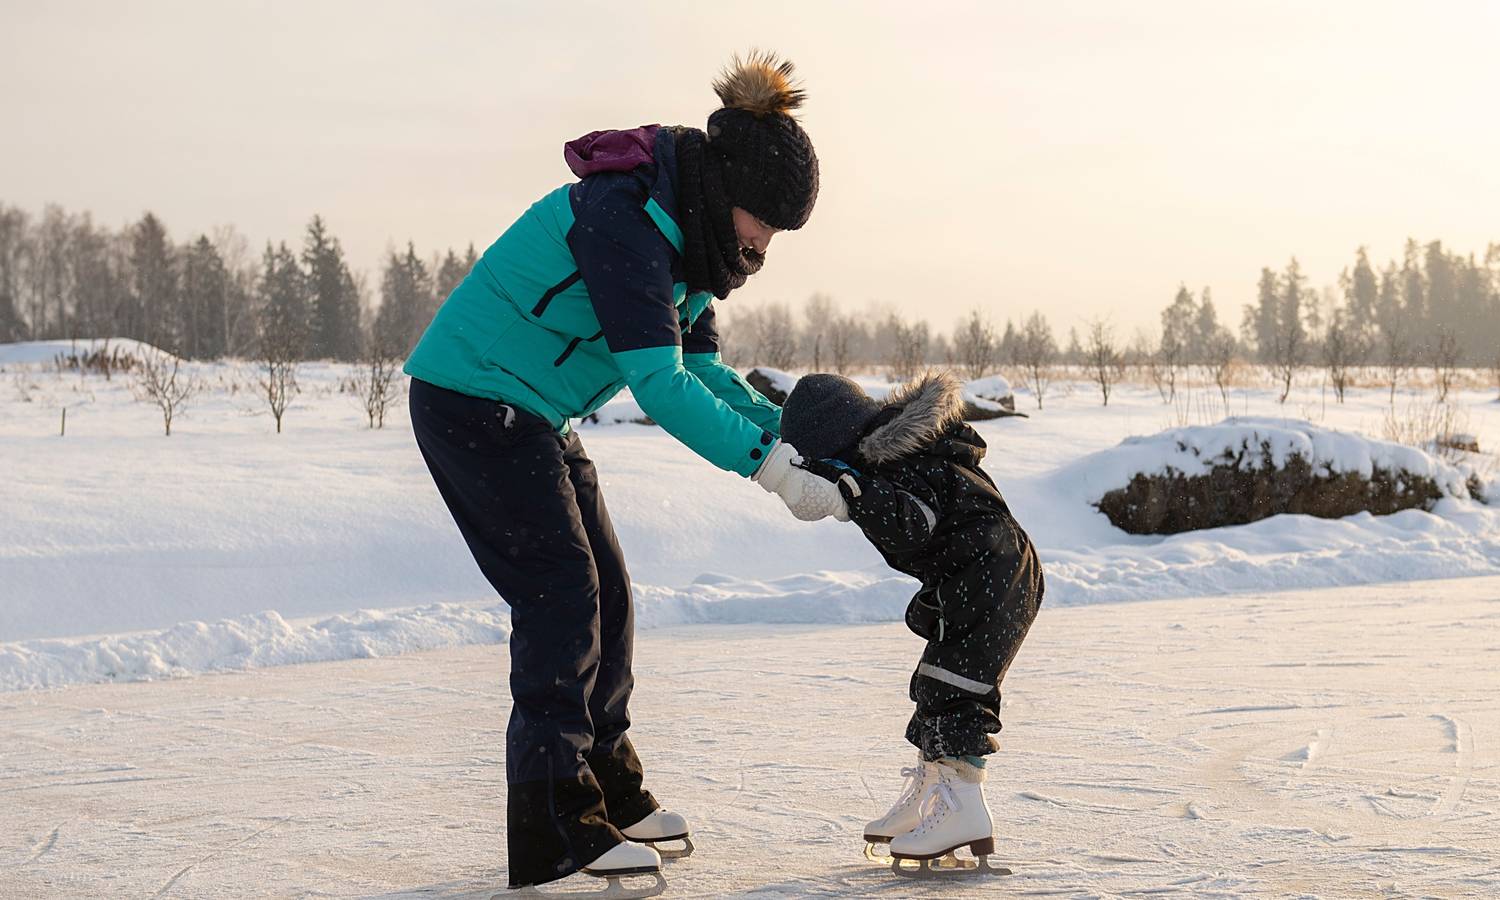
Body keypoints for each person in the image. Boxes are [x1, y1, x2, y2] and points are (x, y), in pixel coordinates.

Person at [404, 52, 846, 893]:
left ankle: (607, 783)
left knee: (606, 585)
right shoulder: (627, 220)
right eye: (764, 223)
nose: (762, 245)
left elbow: (709, 373)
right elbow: (660, 383)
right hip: (473, 399)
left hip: (533, 409)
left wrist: (792, 436)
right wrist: (774, 472)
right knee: (562, 592)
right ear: (729, 190)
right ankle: (553, 821)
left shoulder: (690, 240)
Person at [777, 370, 1044, 873]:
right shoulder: (906, 450)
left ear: (841, 442)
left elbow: (912, 524)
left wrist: (852, 495)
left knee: (955, 689)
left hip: (990, 575)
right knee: (932, 684)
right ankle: (931, 797)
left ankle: (964, 808)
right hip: (982, 573)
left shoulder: (902, 464)